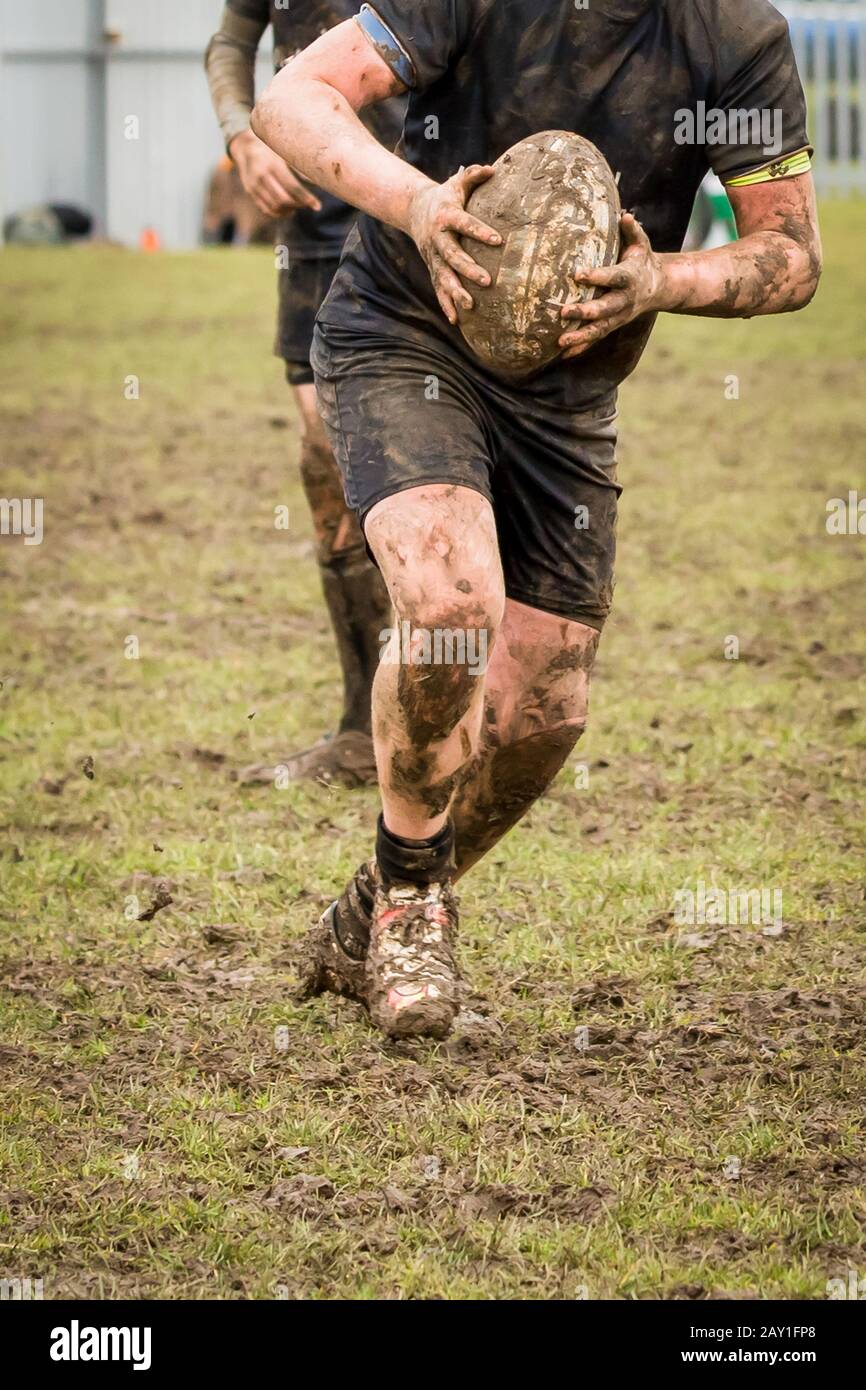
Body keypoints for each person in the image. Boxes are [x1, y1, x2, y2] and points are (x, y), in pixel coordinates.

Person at [251, 0, 822, 1039]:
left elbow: (789, 254)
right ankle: (417, 910)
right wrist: (420, 208)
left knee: (543, 711)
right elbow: (292, 97)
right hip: (407, 338)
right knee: (449, 599)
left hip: (567, 393)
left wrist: (660, 278)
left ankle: (376, 898)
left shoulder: (735, 37)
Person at [205, 2, 403, 786]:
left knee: (436, 460)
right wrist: (241, 134)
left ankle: (457, 697)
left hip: (428, 199)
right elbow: (230, 41)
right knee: (330, 461)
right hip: (315, 225)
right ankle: (362, 728)